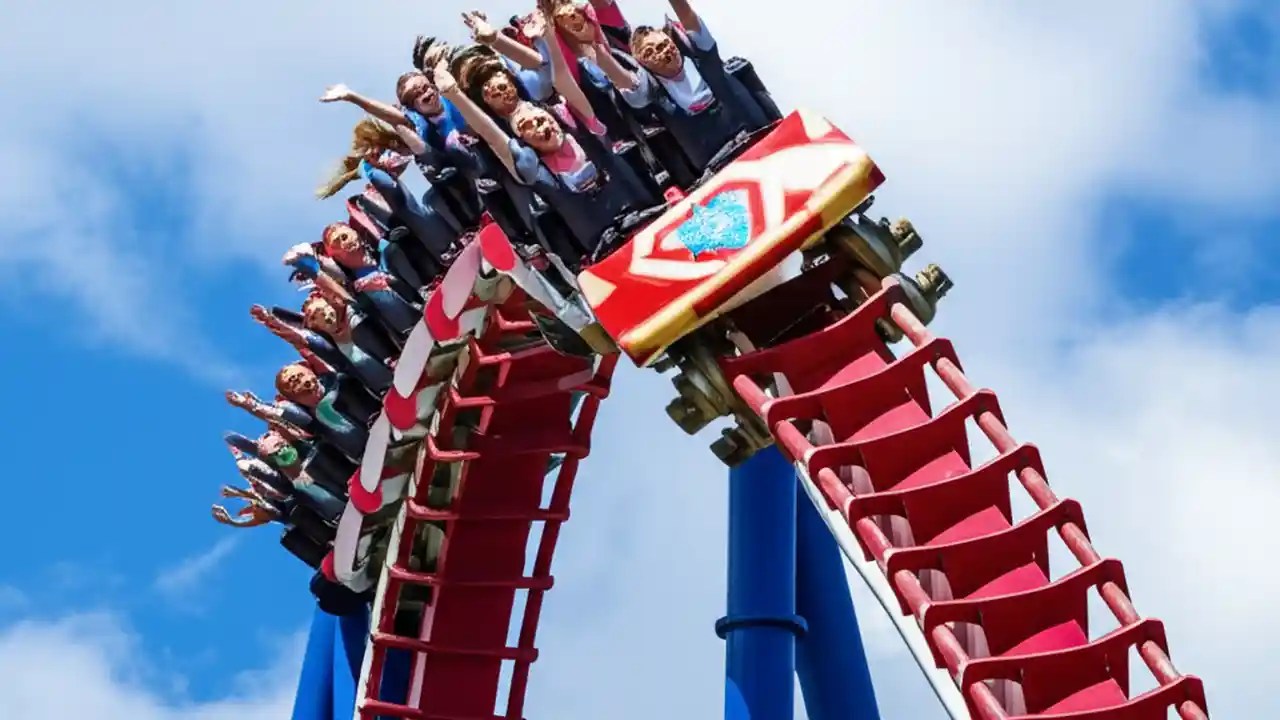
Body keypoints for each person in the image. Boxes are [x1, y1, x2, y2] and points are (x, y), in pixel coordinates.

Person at [434, 42, 652, 263]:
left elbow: (556, 73)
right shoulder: (530, 164)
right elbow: (492, 135)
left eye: (541, 119)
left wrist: (510, 39)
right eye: (528, 126)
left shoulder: (573, 121)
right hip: (606, 249)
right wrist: (454, 94)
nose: (542, 127)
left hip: (641, 217)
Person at [589, 0, 770, 171]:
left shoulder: (701, 55)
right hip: (718, 164)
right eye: (650, 52)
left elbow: (688, 17)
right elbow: (623, 79)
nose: (661, 53)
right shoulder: (651, 91)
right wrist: (594, 45)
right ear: (643, 63)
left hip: (757, 135)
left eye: (663, 45)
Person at [251, 299, 394, 395]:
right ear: (314, 327)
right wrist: (270, 321)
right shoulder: (328, 346)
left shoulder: (353, 312)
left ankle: (391, 357)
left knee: (360, 328)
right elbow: (296, 336)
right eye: (315, 317)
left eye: (323, 309)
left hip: (395, 349)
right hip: (382, 384)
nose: (324, 316)